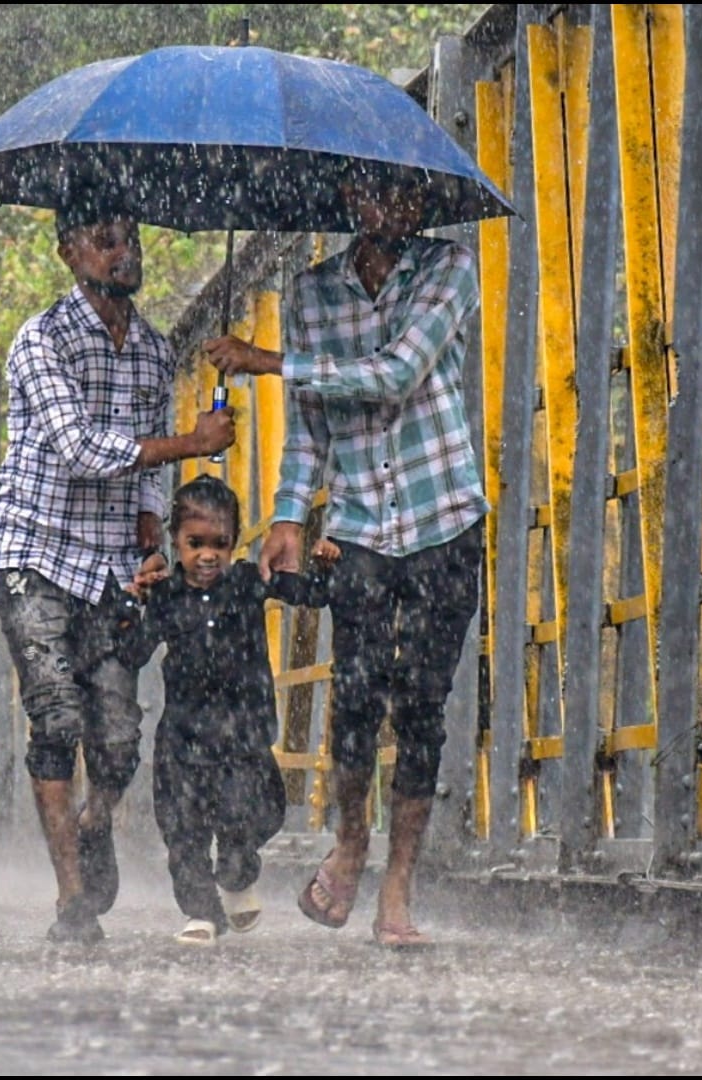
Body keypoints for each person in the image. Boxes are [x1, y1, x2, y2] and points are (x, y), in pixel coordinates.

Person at [204, 178, 488, 949]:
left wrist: (268, 360)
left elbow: (397, 372)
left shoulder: (450, 269)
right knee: (356, 700)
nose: (401, 206)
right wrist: (288, 515)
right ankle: (353, 840)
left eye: (413, 194)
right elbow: (310, 429)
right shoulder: (312, 293)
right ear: (353, 195)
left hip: (441, 518)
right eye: (383, 191)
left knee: (422, 707)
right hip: (358, 524)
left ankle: (398, 886)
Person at [0, 203, 238, 944]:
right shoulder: (42, 339)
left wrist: (153, 525)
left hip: (109, 563)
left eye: (131, 239)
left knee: (121, 736)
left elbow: (146, 474)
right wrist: (192, 442)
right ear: (68, 252)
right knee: (57, 716)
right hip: (34, 551)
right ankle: (72, 898)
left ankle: (94, 821)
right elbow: (81, 449)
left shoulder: (156, 352)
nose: (123, 252)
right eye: (105, 240)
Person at [130, 476, 336, 946]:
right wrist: (129, 604)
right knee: (183, 833)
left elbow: (310, 595)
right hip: (183, 740)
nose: (208, 556)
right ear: (175, 541)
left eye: (219, 544)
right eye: (195, 544)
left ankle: (237, 874)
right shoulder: (166, 595)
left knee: (256, 813)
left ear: (236, 541)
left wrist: (324, 568)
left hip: (244, 735)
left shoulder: (246, 581)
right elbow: (134, 651)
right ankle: (201, 912)